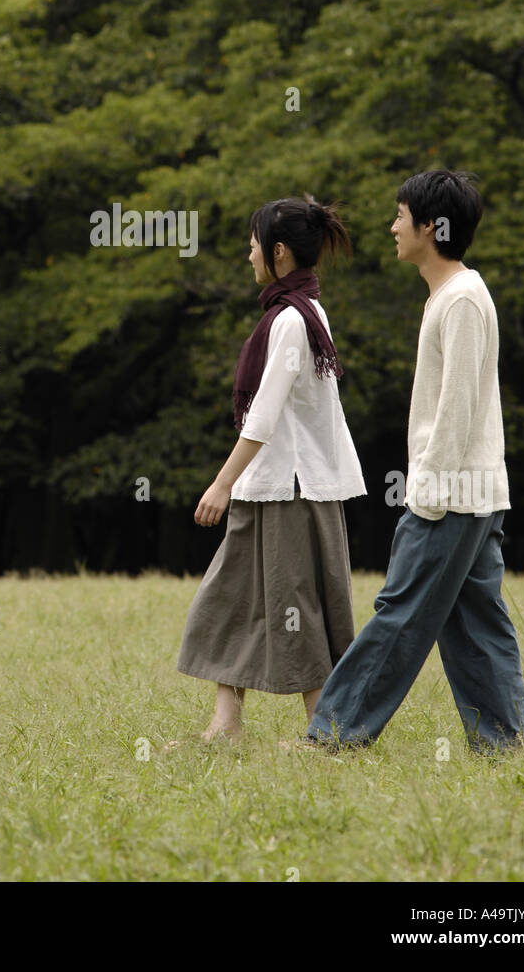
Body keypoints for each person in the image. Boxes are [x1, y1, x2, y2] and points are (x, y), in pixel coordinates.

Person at [305, 169, 524, 753]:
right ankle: (505, 745)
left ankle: (333, 734)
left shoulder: (459, 300)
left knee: (399, 613)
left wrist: (424, 498)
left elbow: (455, 411)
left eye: (400, 217)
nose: (392, 227)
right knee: (477, 623)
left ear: (433, 227)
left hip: (449, 495)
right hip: (472, 491)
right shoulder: (453, 295)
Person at [174, 194, 367, 742]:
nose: (248, 254)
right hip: (272, 486)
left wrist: (219, 484)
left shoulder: (291, 320)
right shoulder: (298, 312)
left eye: (254, 245)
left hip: (291, 488)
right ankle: (225, 725)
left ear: (279, 252)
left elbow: (263, 413)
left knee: (296, 607)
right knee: (230, 596)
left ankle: (323, 730)